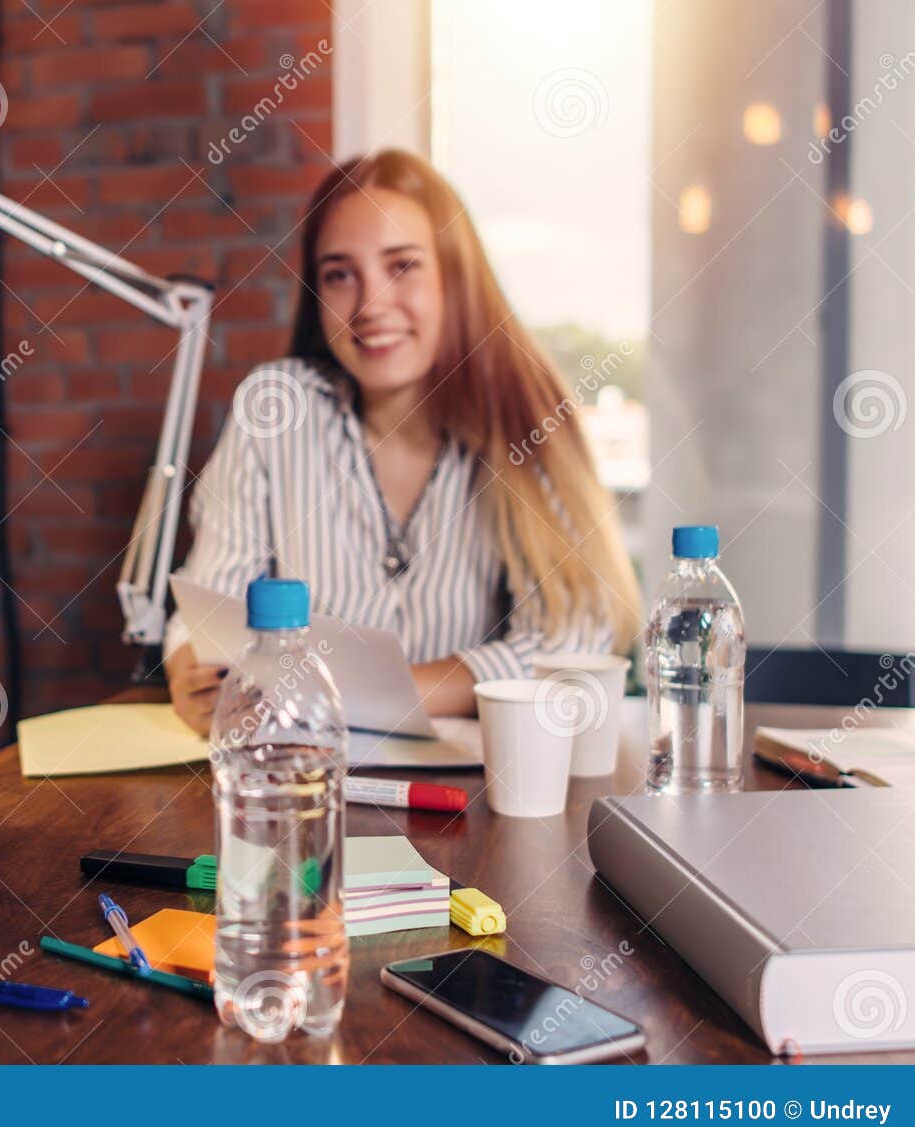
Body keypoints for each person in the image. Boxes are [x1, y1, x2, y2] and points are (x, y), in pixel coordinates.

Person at [165, 150, 640, 735]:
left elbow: (576, 636)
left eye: (402, 266)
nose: (370, 305)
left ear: (455, 279)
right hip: (305, 774)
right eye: (339, 274)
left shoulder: (522, 418)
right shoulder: (275, 410)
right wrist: (189, 665)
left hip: (476, 790)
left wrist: (391, 692)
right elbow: (211, 607)